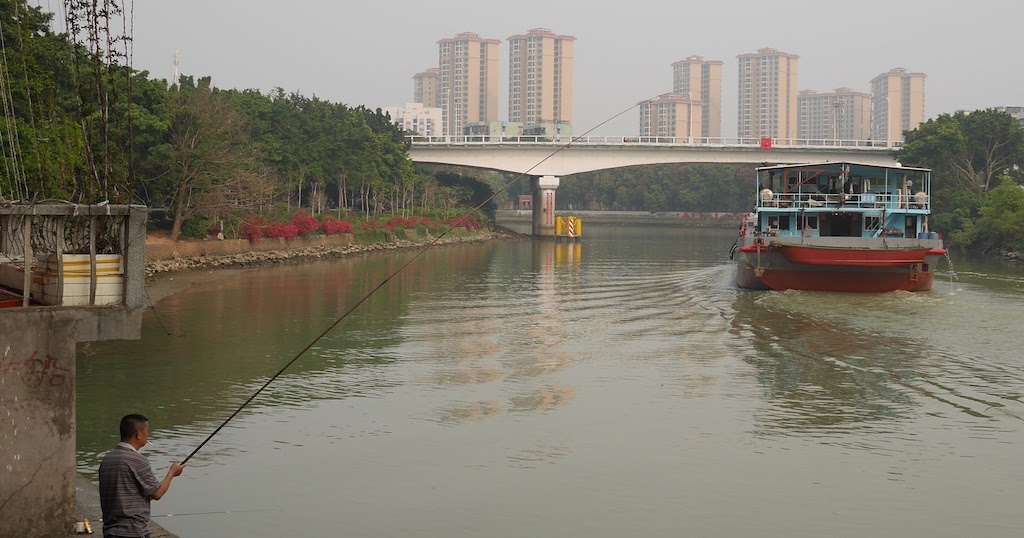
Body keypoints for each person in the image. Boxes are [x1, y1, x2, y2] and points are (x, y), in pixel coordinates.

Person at [99, 414, 185, 538]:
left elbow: (123, 492)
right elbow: (157, 493)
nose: (148, 435)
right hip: (134, 532)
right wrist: (172, 473)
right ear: (138, 434)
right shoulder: (139, 461)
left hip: (110, 532)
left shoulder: (108, 459)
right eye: (147, 431)